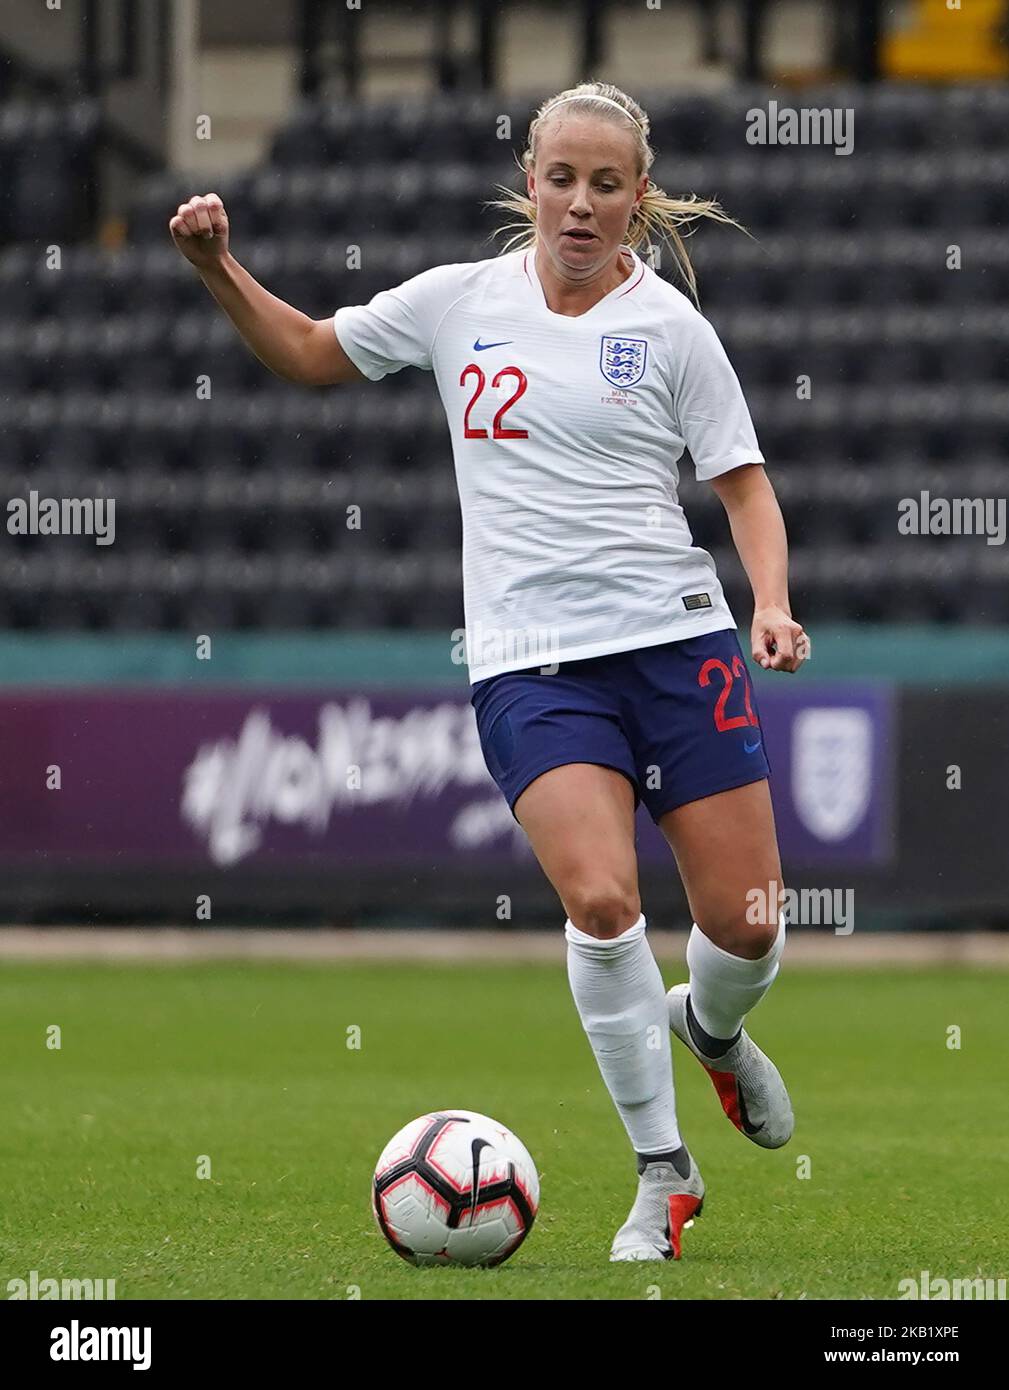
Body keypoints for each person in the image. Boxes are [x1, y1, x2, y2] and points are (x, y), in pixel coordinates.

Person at [169, 79, 810, 1264]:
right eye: (560, 178)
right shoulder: (458, 303)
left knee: (752, 925)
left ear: (637, 198)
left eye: (605, 185)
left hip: (675, 641)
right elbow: (312, 353)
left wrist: (767, 602)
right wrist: (220, 269)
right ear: (529, 183)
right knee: (604, 901)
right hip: (530, 663)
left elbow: (743, 485)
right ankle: (662, 1174)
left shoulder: (671, 329)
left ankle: (712, 1035)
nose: (579, 203)